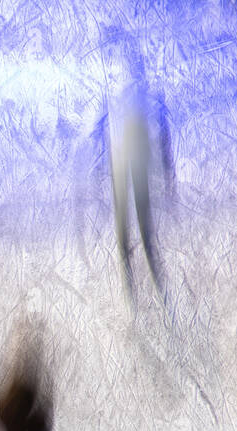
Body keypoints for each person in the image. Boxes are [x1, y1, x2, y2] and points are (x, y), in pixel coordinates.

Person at [95, 53, 173, 302]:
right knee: (129, 233)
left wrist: (167, 171)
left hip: (134, 168)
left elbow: (162, 137)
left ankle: (152, 290)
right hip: (123, 168)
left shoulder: (141, 97)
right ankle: (138, 292)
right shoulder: (120, 97)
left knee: (141, 232)